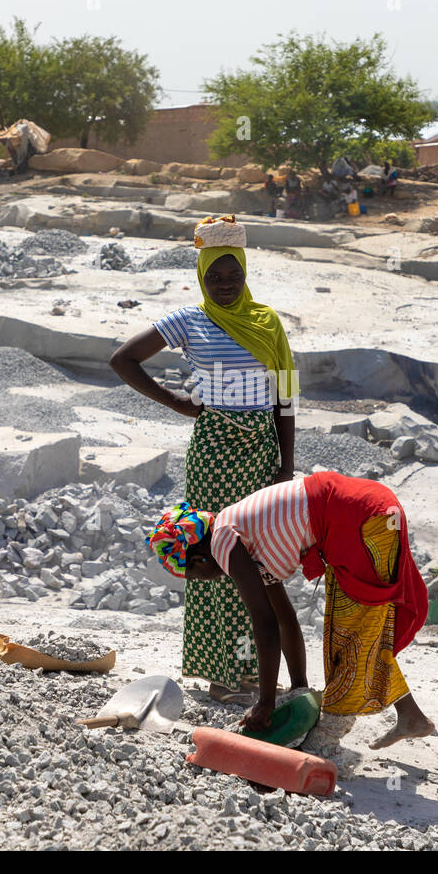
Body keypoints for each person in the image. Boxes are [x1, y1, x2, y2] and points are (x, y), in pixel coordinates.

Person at [110, 215, 299, 703]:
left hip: (260, 450)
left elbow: (286, 395)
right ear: (201, 276)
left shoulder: (267, 322)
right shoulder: (189, 321)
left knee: (258, 559)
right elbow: (122, 359)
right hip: (214, 451)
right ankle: (222, 672)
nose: (225, 285)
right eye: (214, 277)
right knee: (213, 555)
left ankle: (256, 670)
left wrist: (287, 463)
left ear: (245, 272)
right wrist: (177, 402)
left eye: (233, 275)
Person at [147, 471, 435, 749]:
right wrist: (300, 691)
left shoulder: (223, 540)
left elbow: (265, 624)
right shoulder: (243, 533)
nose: (204, 581)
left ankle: (328, 741)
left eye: (195, 577)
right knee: (358, 629)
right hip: (369, 512)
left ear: (197, 559)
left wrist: (265, 702)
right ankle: (411, 716)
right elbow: (285, 619)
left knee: (349, 637)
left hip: (360, 519)